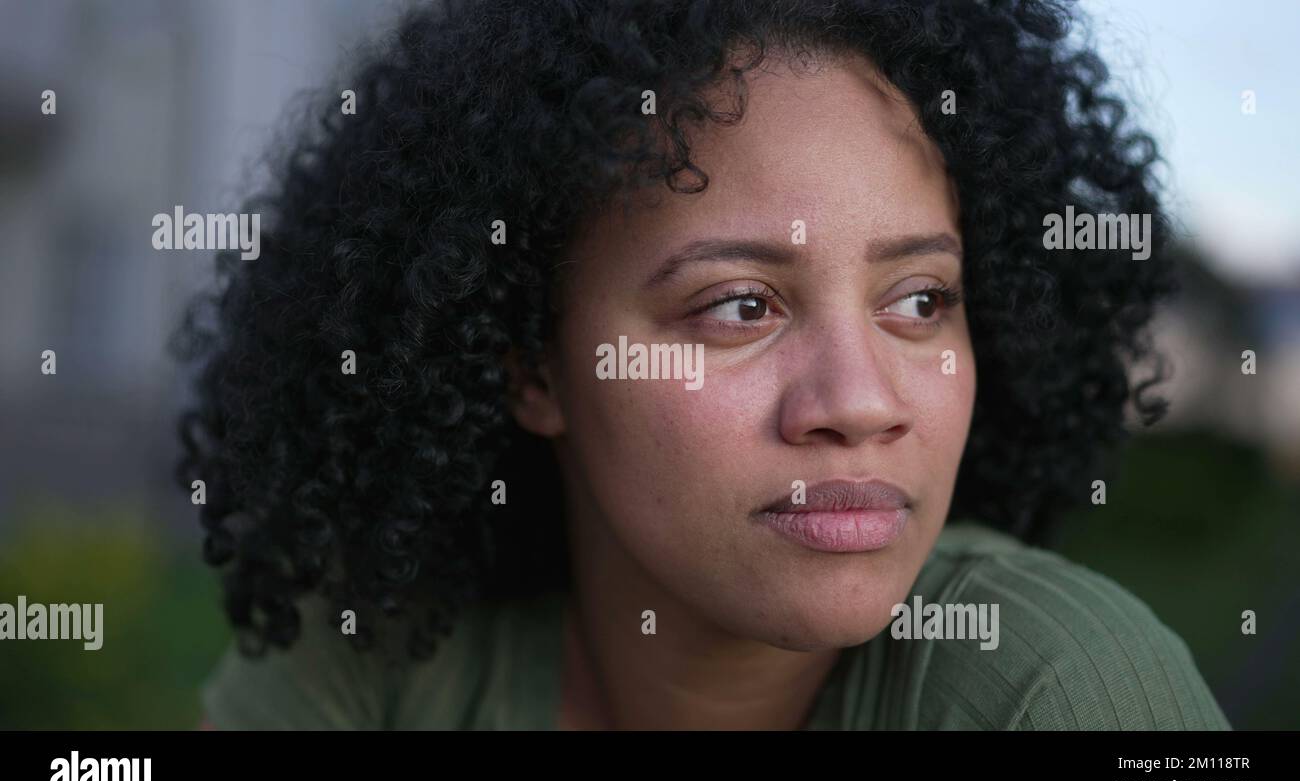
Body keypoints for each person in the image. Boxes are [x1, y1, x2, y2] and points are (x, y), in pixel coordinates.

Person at [176, 0, 1230, 730]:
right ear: (531, 365)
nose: (859, 403)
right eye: (738, 306)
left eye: (920, 301)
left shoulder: (1056, 686)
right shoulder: (374, 650)